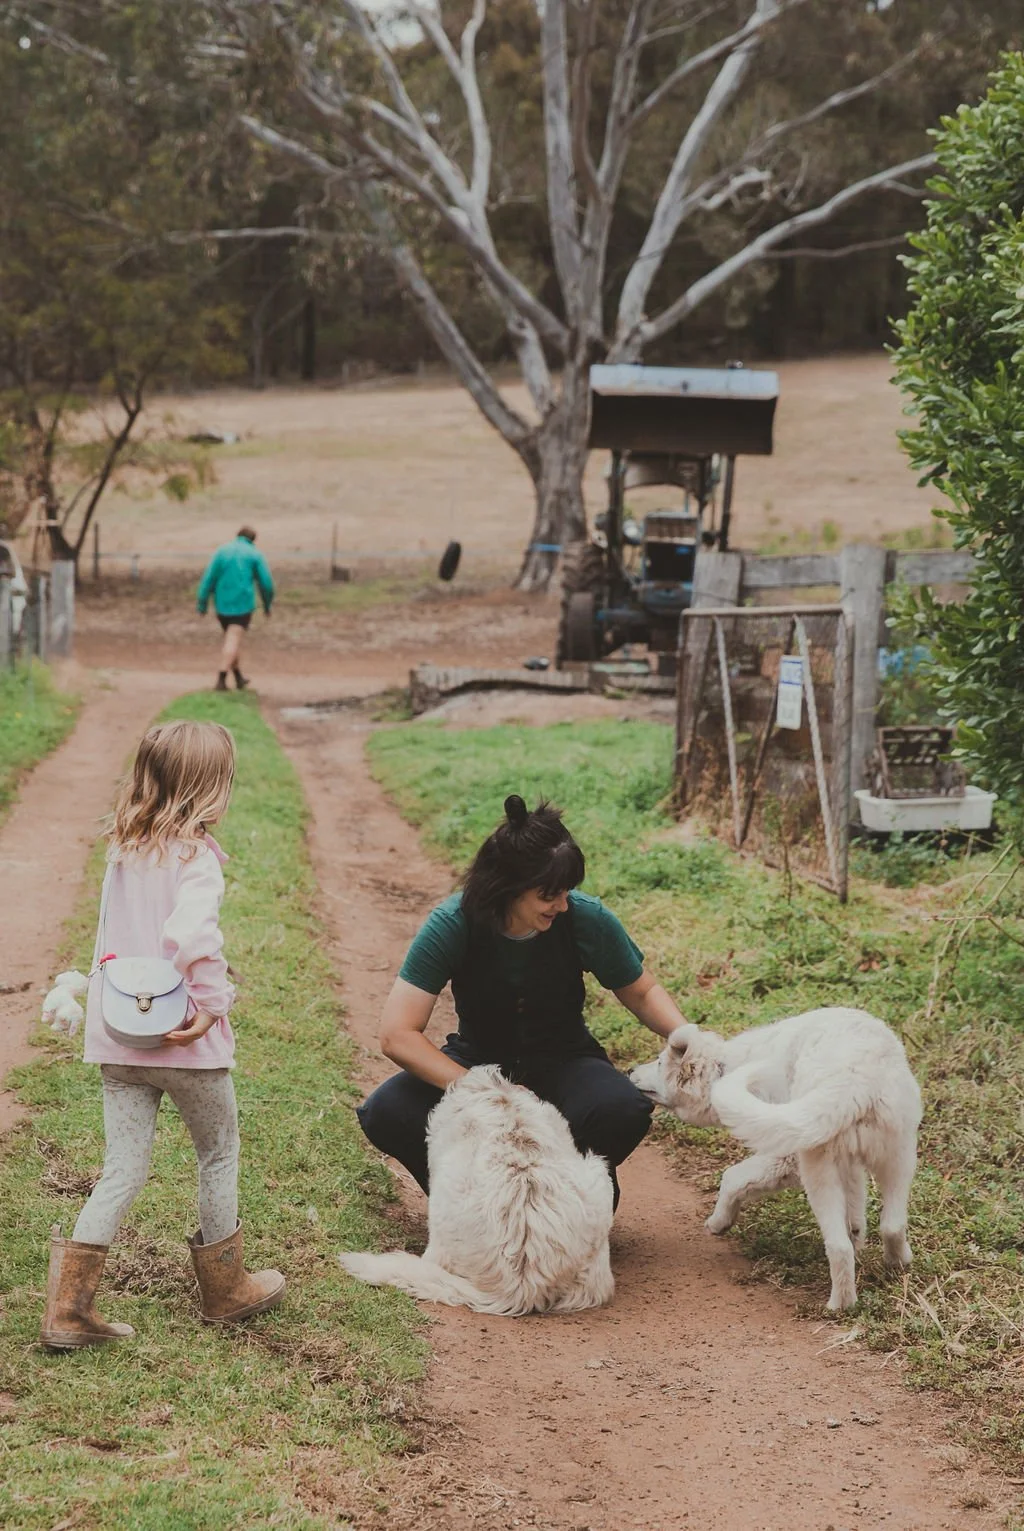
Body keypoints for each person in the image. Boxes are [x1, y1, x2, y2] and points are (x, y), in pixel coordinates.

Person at [39, 720, 285, 1350]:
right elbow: (193, 937)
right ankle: (227, 1290)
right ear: (208, 787)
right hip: (184, 1039)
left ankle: (69, 1309)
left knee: (122, 1166)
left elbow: (109, 937)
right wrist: (212, 1003)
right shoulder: (195, 858)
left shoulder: (123, 849)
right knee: (218, 1151)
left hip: (119, 1034)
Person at [357, 795, 690, 1208]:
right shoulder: (453, 923)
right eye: (549, 894)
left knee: (621, 1109)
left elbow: (641, 991)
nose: (563, 904)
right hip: (477, 1061)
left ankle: (575, 1195)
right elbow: (396, 1034)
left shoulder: (585, 918)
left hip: (565, 1059)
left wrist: (687, 1039)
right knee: (388, 1111)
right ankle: (471, 1201)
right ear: (508, 888)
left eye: (568, 891)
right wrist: (486, 1089)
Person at [196, 526, 274, 692]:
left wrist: (202, 603)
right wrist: (267, 605)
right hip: (242, 604)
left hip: (222, 604)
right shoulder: (254, 554)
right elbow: (266, 584)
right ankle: (221, 679)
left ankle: (238, 677)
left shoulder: (222, 552)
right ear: (253, 540)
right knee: (233, 639)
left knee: (231, 639)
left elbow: (208, 578)